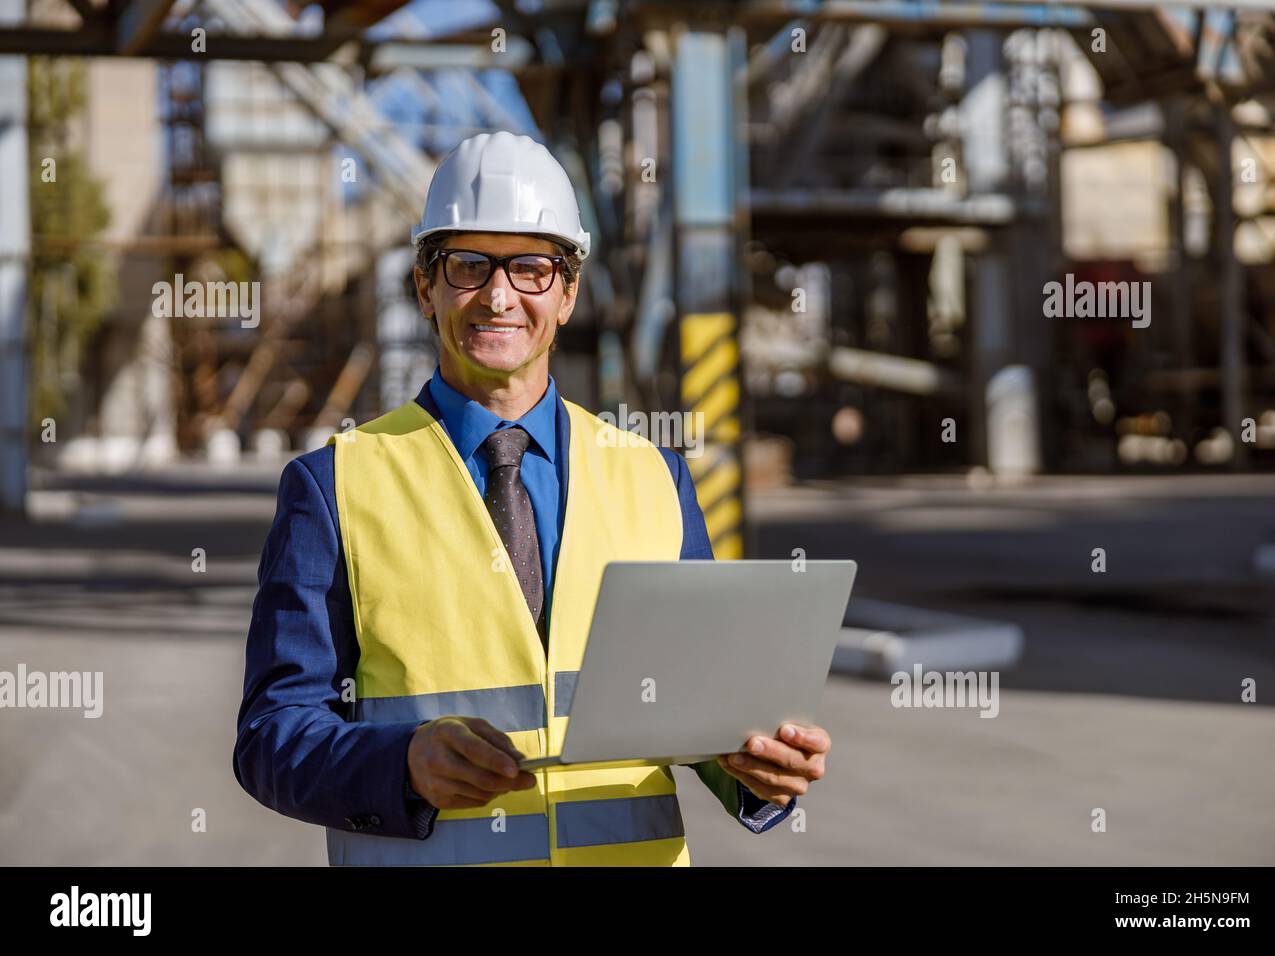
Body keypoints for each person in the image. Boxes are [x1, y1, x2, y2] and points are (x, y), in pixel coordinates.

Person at [234, 131, 831, 866]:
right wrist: (402, 765)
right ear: (425, 286)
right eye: (467, 265)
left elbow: (695, 709)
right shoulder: (334, 488)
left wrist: (757, 768)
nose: (498, 295)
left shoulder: (655, 477)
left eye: (531, 267)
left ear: (569, 292)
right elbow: (272, 734)